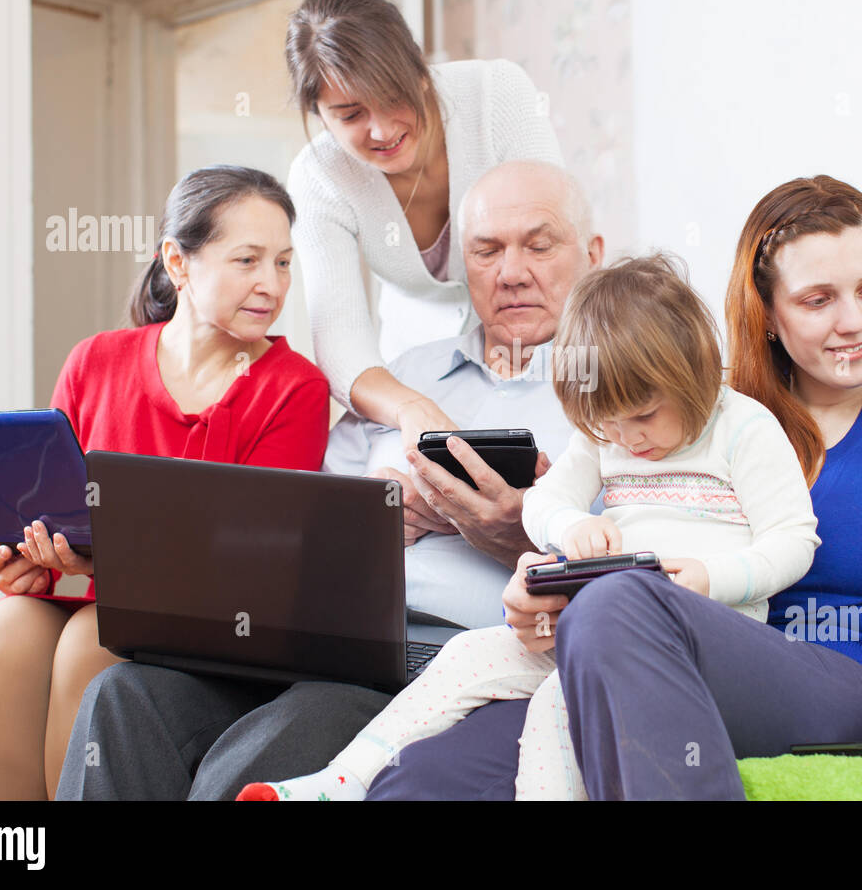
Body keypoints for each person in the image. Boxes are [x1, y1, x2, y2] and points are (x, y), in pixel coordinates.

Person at [364, 174, 862, 801]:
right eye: (818, 300)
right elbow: (620, 555)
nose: (853, 321)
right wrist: (542, 590)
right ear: (767, 313)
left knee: (620, 606)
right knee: (428, 775)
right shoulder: (689, 414)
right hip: (676, 672)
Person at [55, 159, 605, 800]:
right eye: (486, 251)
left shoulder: (619, 400)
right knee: (122, 697)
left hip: (443, 661)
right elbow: (300, 513)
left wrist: (515, 534)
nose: (512, 272)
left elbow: (638, 577)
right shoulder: (401, 378)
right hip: (317, 641)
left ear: (591, 254)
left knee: (271, 747)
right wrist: (367, 517)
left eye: (538, 246)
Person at [236, 254, 820, 801]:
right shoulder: (607, 436)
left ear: (692, 372)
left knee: (557, 702)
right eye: (607, 424)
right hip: (601, 627)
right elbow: (543, 503)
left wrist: (710, 580)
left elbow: (795, 541)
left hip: (706, 633)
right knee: (466, 654)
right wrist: (570, 529)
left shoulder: (742, 427)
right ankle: (339, 782)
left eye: (643, 417)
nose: (627, 439)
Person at [0, 165, 330, 800]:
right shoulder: (94, 361)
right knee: (7, 628)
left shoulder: (295, 388)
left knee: (89, 638)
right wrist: (33, 562)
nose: (271, 284)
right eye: (247, 260)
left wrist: (102, 564)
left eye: (285, 263)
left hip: (215, 627)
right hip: (105, 600)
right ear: (177, 263)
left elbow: (251, 564)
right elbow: (54, 506)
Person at [285, 0, 563, 451]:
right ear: (319, 114)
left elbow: (555, 239)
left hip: (545, 347)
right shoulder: (319, 176)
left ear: (419, 71)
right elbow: (339, 339)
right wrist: (409, 407)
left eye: (391, 96)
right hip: (413, 369)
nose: (382, 130)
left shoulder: (496, 95)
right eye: (350, 115)